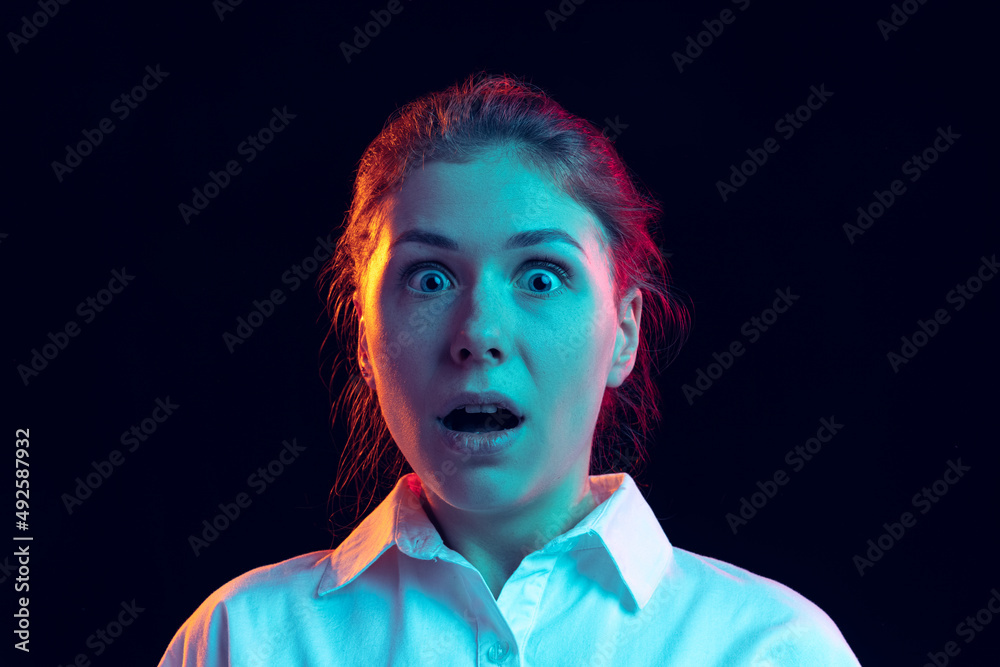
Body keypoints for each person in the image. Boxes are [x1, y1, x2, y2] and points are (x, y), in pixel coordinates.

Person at [157, 73, 862, 666]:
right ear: (365, 340)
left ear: (623, 333)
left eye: (541, 277)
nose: (479, 334)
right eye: (429, 278)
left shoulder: (772, 648)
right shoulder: (239, 642)